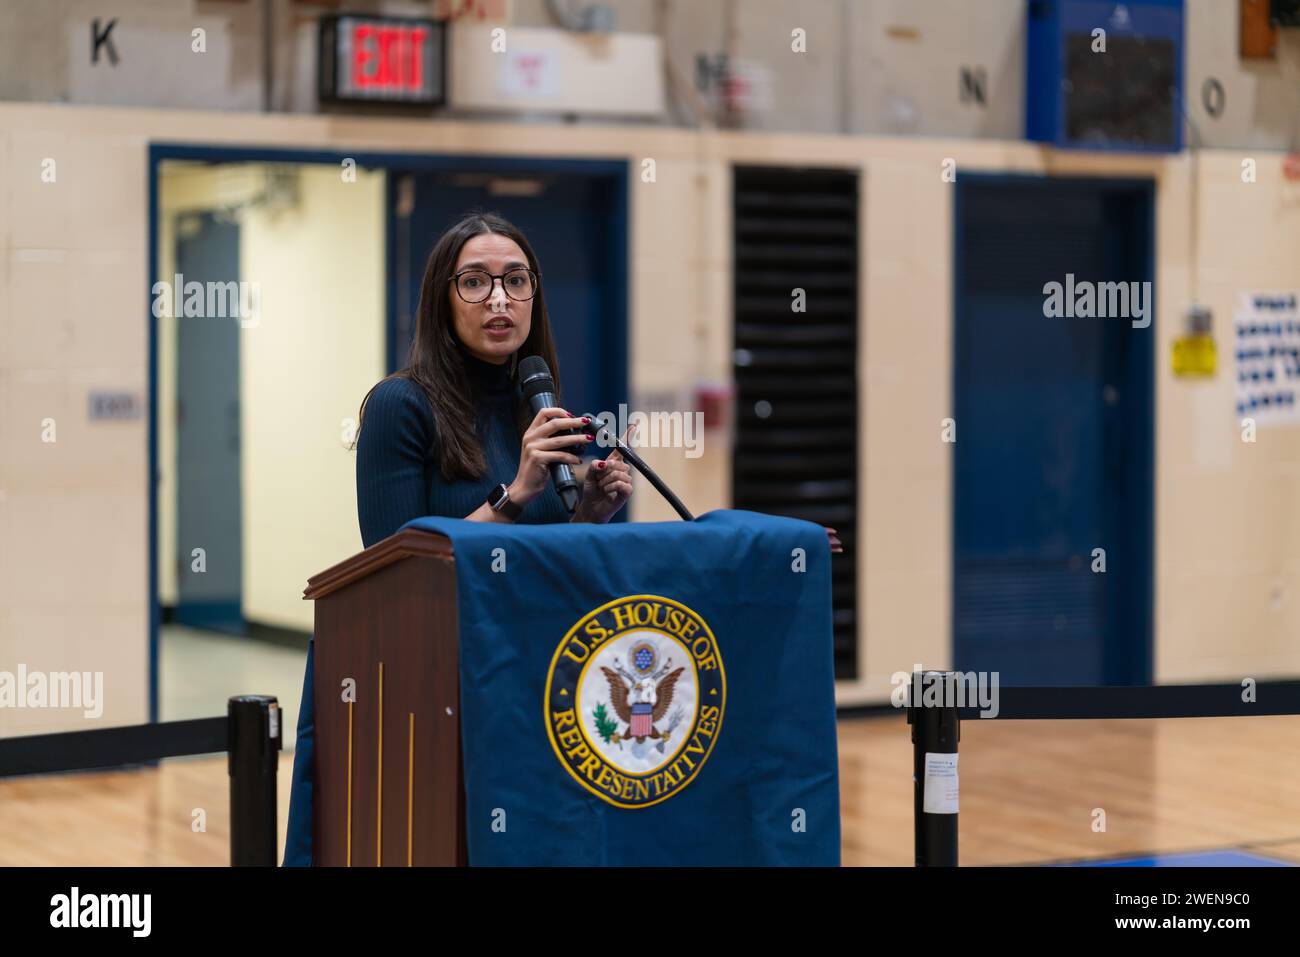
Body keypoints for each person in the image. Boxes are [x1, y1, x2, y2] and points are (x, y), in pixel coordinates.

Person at [282, 211, 633, 866]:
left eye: (516, 281)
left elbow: (535, 559)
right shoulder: (400, 406)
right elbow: (393, 567)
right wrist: (514, 493)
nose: (499, 299)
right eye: (475, 282)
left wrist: (588, 510)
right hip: (428, 687)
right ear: (443, 301)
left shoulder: (535, 403)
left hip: (530, 675)